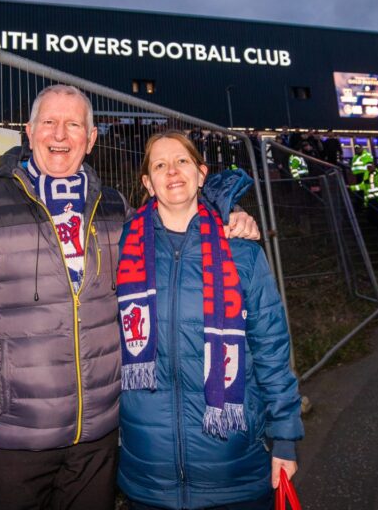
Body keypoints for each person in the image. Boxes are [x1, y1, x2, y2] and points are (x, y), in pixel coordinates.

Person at [0, 85, 260, 510]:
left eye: (74, 124)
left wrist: (225, 211)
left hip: (98, 439)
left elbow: (176, 215)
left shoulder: (113, 209)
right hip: (12, 435)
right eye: (49, 122)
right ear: (29, 131)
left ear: (90, 140)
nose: (60, 134)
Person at [117, 131, 303, 509]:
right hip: (149, 473)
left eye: (182, 161)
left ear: (202, 174)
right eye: (159, 165)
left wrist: (284, 436)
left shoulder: (241, 250)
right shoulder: (122, 248)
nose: (172, 171)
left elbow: (271, 350)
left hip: (233, 467)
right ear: (147, 183)